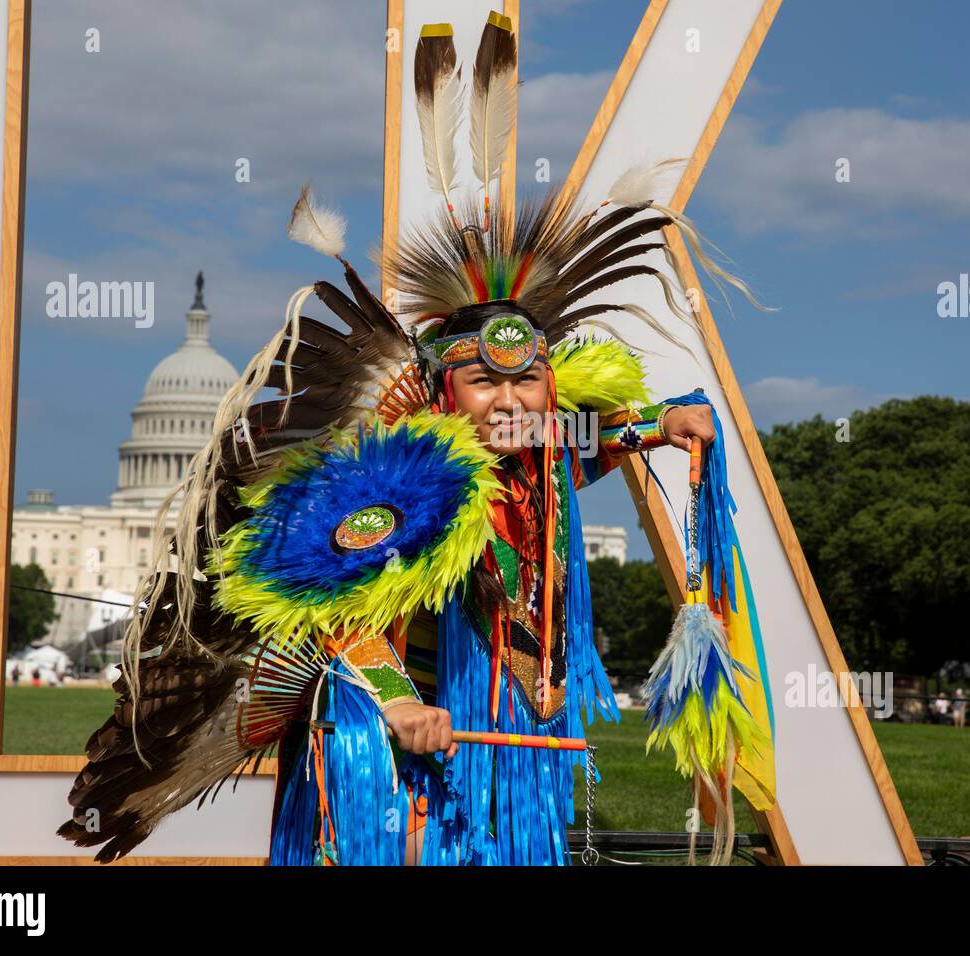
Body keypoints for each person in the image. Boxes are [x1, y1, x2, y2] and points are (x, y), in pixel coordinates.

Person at [56, 11, 775, 866]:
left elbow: (578, 437)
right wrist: (398, 704)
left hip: (496, 738)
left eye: (529, 378)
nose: (512, 400)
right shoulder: (405, 479)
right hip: (392, 756)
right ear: (443, 392)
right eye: (486, 381)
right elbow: (333, 604)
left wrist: (659, 426)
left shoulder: (535, 453)